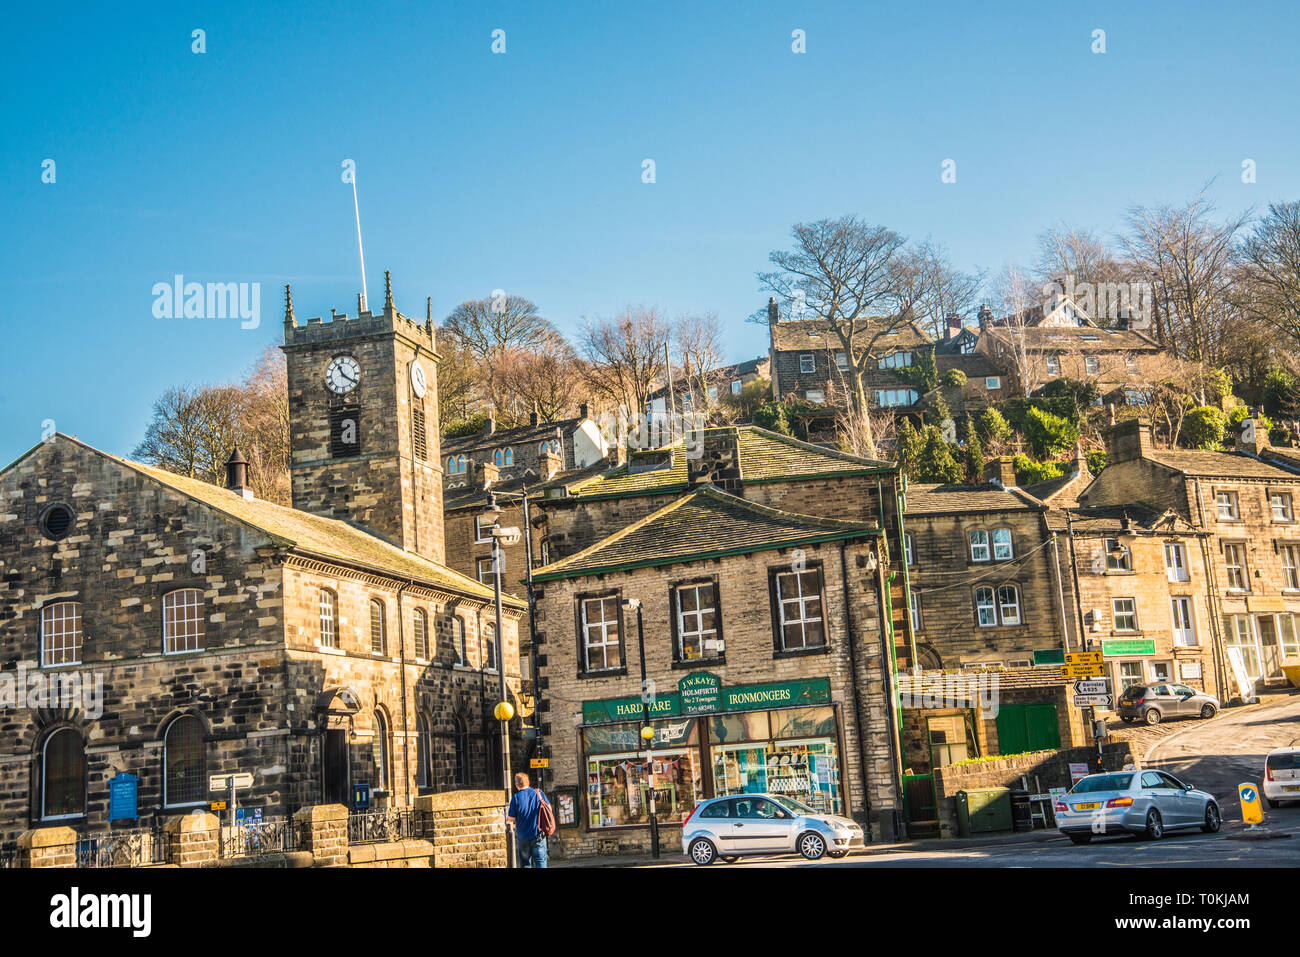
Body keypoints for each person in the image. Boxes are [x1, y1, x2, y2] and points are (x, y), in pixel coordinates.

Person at [506, 771, 549, 868]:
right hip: (538, 835)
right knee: (541, 863)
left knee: (525, 864)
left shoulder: (515, 798)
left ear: (516, 785)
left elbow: (511, 818)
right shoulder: (539, 793)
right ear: (528, 782)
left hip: (523, 838)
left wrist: (507, 818)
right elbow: (549, 808)